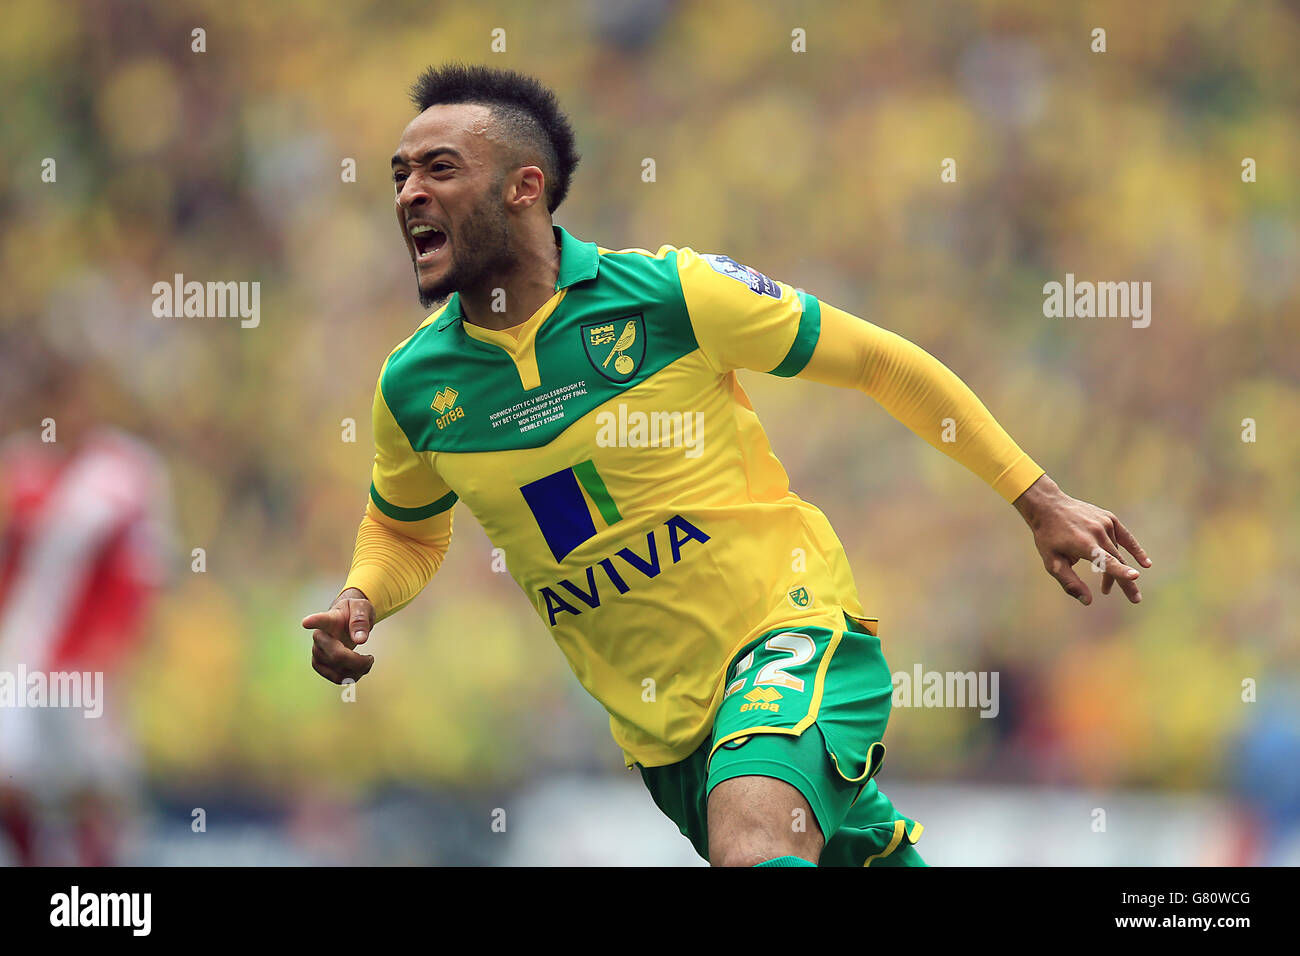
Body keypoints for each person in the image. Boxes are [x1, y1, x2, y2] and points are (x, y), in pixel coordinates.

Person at [302, 63, 1150, 867]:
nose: (410, 192)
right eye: (399, 175)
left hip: (788, 634)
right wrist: (361, 595)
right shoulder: (415, 387)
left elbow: (879, 363)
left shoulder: (671, 296)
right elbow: (403, 529)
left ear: (524, 186)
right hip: (664, 730)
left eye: (439, 169)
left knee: (752, 843)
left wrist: (1035, 496)